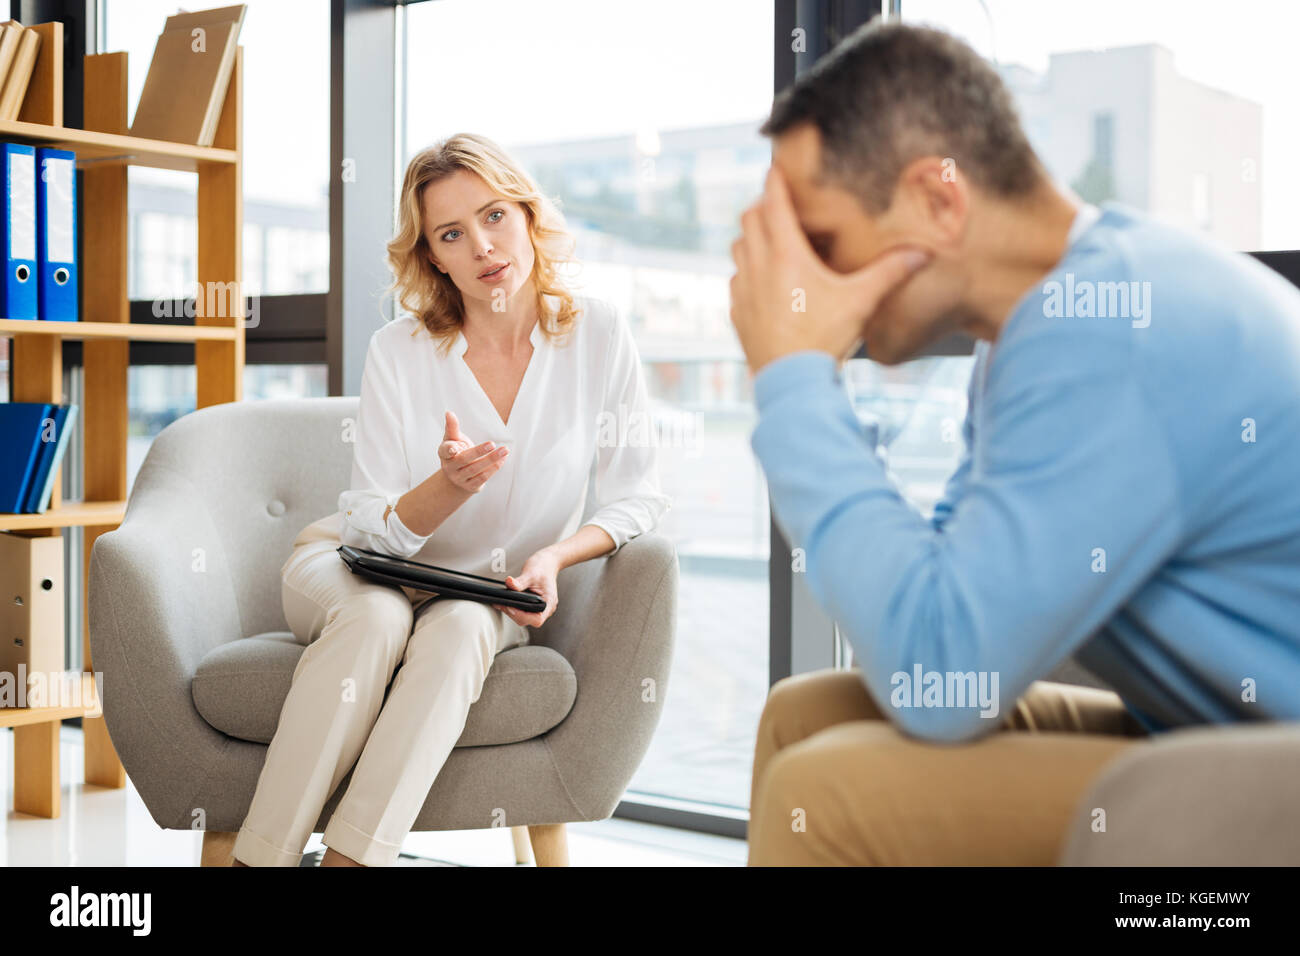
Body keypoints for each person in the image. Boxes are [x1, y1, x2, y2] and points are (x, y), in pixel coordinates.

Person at [729, 19, 1300, 865]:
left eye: (820, 244)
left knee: (832, 792)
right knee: (804, 717)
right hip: (1227, 734)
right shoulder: (1034, 331)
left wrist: (793, 380)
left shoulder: (1111, 329)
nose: (800, 284)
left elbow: (938, 677)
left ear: (938, 199)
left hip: (1276, 763)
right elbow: (952, 613)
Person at [232, 132, 671, 867]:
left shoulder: (597, 334)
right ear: (432, 255)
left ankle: (349, 861)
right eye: (452, 233)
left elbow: (639, 494)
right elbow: (368, 525)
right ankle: (259, 859)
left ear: (528, 215)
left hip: (478, 592)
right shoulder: (400, 350)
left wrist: (554, 557)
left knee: (463, 630)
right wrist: (446, 489)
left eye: (495, 216)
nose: (483, 246)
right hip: (354, 566)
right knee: (374, 621)